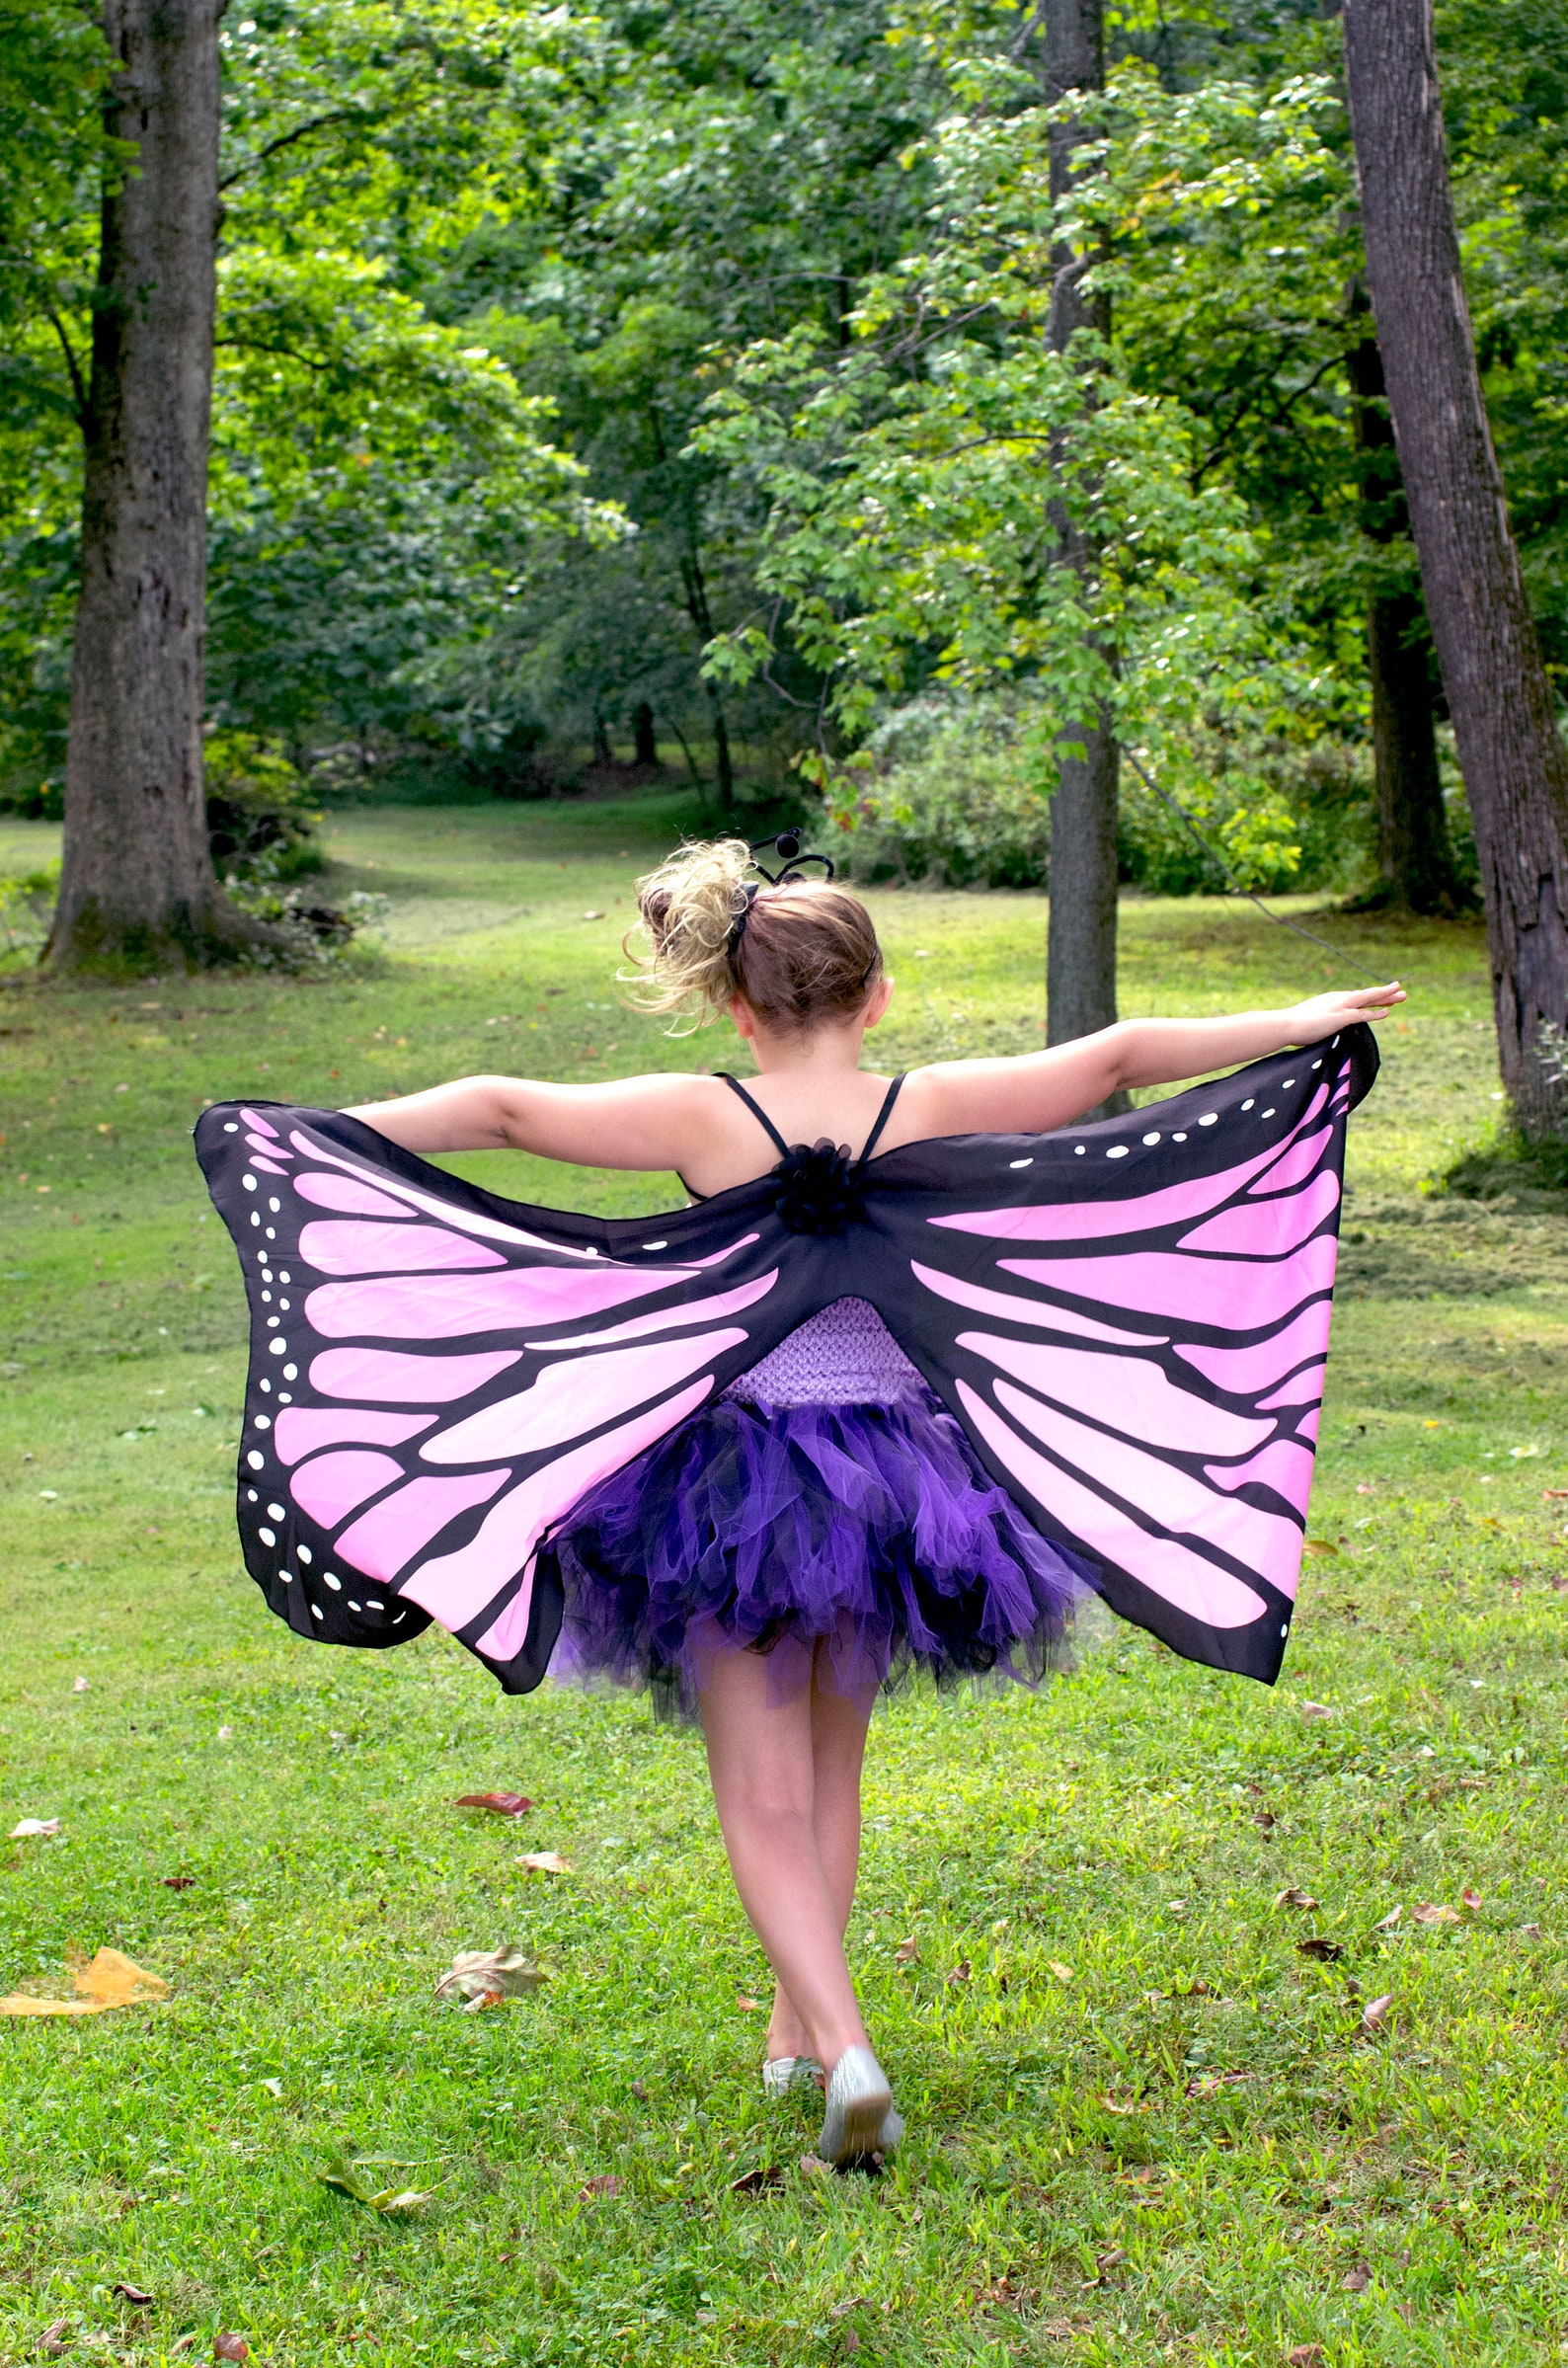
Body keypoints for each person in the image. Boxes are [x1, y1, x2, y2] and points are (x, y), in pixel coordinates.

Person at [339, 837, 1404, 2167]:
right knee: (832, 1770)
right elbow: (1124, 1056)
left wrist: (325, 1130)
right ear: (877, 994)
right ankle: (796, 2034)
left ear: (737, 1005)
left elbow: (498, 1108)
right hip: (900, 1486)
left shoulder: (703, 1117)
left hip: (730, 1492)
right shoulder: (932, 1099)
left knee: (758, 1788)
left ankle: (841, 2048)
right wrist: (1299, 1021)